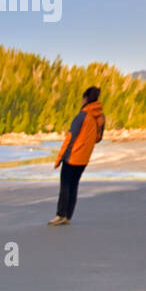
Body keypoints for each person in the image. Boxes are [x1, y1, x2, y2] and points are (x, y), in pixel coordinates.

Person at [48, 86, 105, 225]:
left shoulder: (82, 116)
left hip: (72, 157)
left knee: (65, 186)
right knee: (74, 186)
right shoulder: (100, 117)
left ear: (85, 99)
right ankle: (68, 216)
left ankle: (60, 215)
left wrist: (60, 157)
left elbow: (70, 137)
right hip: (84, 158)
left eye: (82, 98)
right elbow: (98, 138)